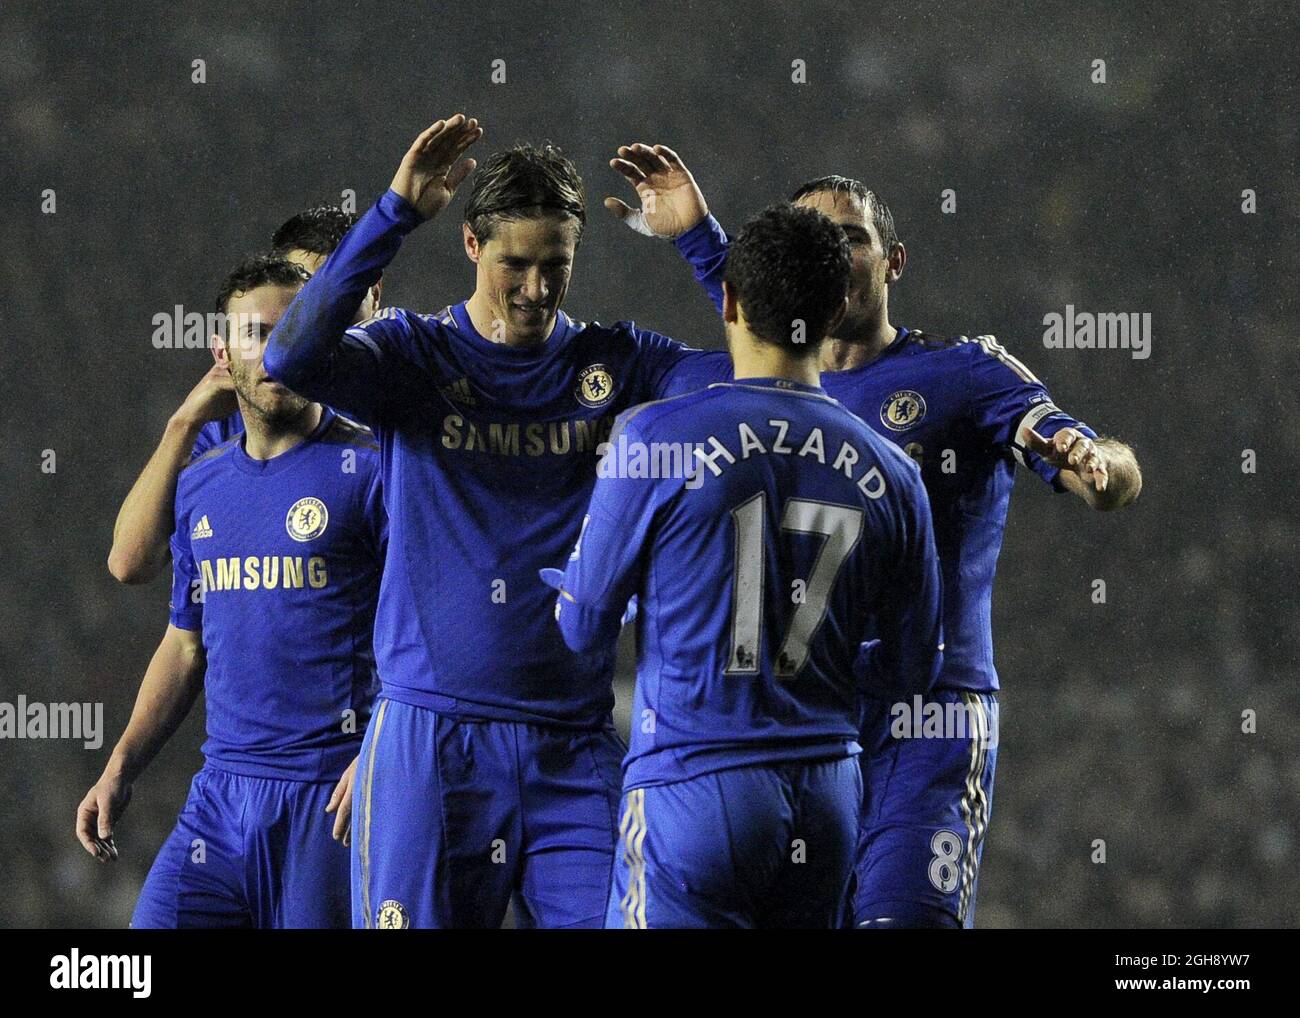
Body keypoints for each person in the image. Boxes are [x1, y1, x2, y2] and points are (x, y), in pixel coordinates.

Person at [605, 142, 1142, 927]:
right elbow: (755, 299)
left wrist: (1103, 467)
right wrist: (698, 237)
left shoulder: (962, 374)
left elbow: (1095, 465)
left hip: (925, 720)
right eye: (814, 241)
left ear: (893, 261)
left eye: (851, 237)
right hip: (794, 723)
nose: (832, 252)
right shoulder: (743, 390)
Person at [263, 115, 725, 929]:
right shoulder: (414, 355)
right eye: (517, 263)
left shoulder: (614, 364)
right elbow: (290, 358)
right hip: (431, 742)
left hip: (573, 747)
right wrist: (392, 215)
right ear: (472, 246)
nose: (538, 290)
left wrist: (700, 243)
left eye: (557, 266)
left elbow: (767, 374)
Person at [551, 203, 943, 927]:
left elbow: (581, 629)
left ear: (728, 301)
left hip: (693, 784)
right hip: (827, 795)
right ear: (834, 309)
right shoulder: (894, 470)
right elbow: (914, 670)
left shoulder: (656, 436)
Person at [78, 255, 386, 927]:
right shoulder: (200, 482)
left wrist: (383, 754)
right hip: (221, 797)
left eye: (296, 331)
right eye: (258, 333)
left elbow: (423, 635)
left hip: (330, 798)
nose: (278, 350)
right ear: (222, 352)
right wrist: (120, 767)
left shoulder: (372, 470)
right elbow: (185, 647)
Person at [107, 206, 381, 586]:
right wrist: (184, 422)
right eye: (302, 306)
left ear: (374, 294)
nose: (318, 324)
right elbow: (131, 562)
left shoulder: (401, 399)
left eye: (340, 299)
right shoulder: (243, 417)